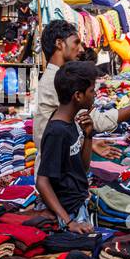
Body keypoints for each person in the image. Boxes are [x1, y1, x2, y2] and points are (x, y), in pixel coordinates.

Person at [32, 20, 130, 171]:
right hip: (57, 172)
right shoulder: (54, 81)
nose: (81, 49)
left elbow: (86, 121)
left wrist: (88, 143)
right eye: (76, 43)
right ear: (59, 44)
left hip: (65, 168)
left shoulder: (61, 77)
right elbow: (45, 138)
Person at [35, 62, 98, 234]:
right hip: (67, 211)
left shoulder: (71, 122)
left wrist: (88, 135)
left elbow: (82, 168)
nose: (95, 95)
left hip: (77, 204)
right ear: (78, 95)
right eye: (92, 90)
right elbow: (42, 181)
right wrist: (69, 221)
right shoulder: (57, 131)